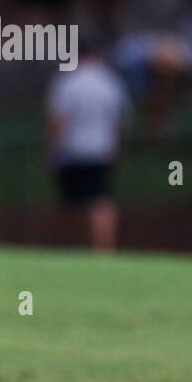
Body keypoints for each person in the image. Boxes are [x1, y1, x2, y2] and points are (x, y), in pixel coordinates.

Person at [45, 48, 131, 250]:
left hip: (71, 150)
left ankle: (68, 246)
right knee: (101, 201)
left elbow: (58, 121)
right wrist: (119, 148)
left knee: (69, 203)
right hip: (102, 149)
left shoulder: (66, 81)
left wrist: (52, 150)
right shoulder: (110, 81)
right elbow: (119, 120)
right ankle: (104, 248)